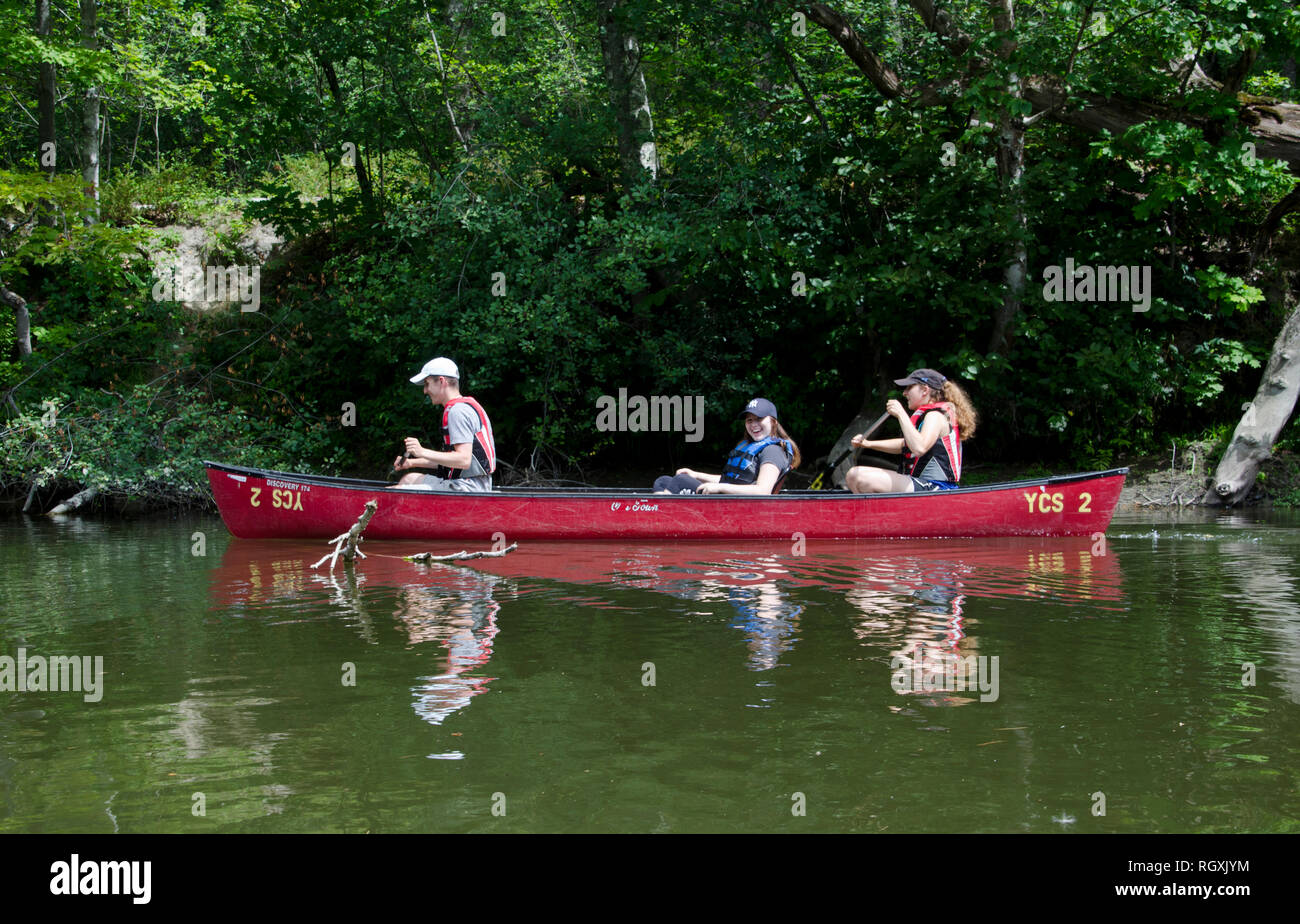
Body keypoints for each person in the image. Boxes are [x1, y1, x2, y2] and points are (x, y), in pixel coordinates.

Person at [845, 368, 977, 494]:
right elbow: (905, 445)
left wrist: (901, 414)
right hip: (922, 485)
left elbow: (919, 448)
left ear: (925, 390)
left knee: (858, 476)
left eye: (909, 388)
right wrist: (867, 444)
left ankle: (876, 515)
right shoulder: (929, 416)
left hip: (936, 488)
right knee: (854, 476)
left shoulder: (935, 416)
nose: (904, 393)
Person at [653, 398, 801, 495]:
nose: (754, 424)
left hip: (743, 509)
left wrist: (719, 488)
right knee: (664, 480)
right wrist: (696, 475)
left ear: (773, 422)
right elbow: (730, 481)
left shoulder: (772, 451)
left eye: (759, 419)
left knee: (680, 482)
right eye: (749, 420)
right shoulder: (751, 446)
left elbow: (763, 490)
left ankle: (656, 519)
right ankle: (654, 517)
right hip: (728, 500)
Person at [393, 357, 496, 491]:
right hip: (474, 485)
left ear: (441, 381)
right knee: (409, 479)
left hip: (467, 488)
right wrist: (411, 463)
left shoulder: (457, 412)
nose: (425, 390)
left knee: (396, 493)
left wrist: (421, 451)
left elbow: (463, 460)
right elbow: (452, 461)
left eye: (427, 384)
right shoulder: (466, 405)